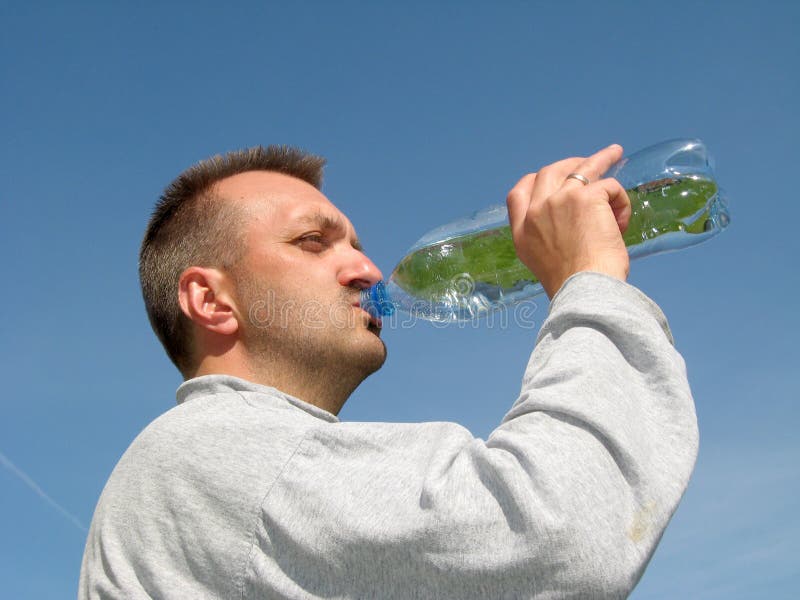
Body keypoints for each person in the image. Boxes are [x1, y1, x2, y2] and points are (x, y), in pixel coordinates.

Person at [79, 144, 698, 599]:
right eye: (313, 241)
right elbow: (558, 532)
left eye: (356, 244)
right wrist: (590, 279)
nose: (369, 269)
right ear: (212, 301)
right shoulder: (213, 450)